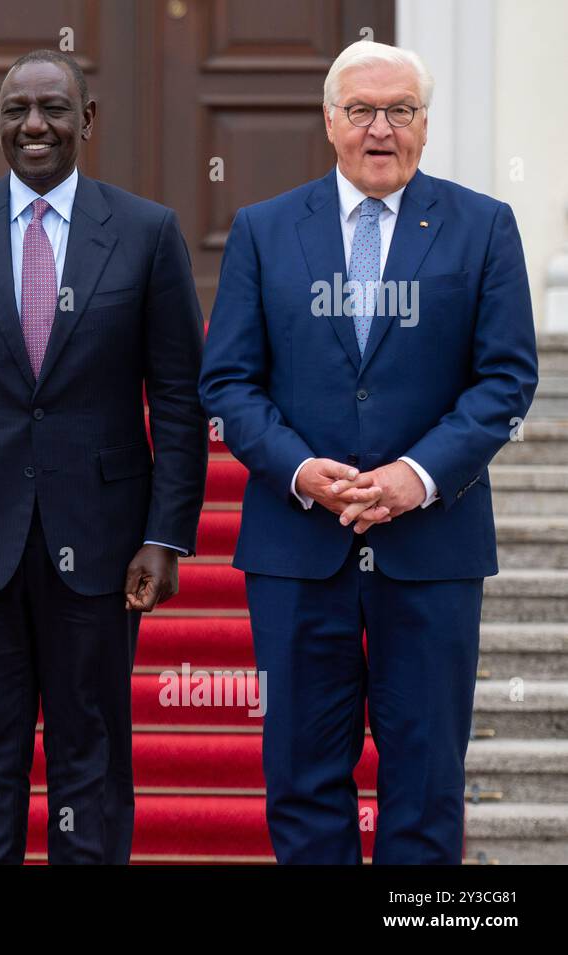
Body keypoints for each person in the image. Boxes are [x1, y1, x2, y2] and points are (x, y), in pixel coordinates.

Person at [199, 40, 539, 864]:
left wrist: (415, 476)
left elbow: (505, 378)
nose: (380, 129)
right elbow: (231, 382)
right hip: (296, 545)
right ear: (329, 121)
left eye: (401, 111)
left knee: (424, 782)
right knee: (303, 775)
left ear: (425, 123)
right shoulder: (264, 229)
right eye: (361, 111)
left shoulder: (484, 227)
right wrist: (298, 470)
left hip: (431, 547)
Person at [0, 50, 209, 864]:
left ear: (87, 120)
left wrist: (167, 534)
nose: (34, 124)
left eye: (55, 108)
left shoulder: (147, 232)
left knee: (90, 758)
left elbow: (178, 398)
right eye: (16, 108)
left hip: (100, 544)